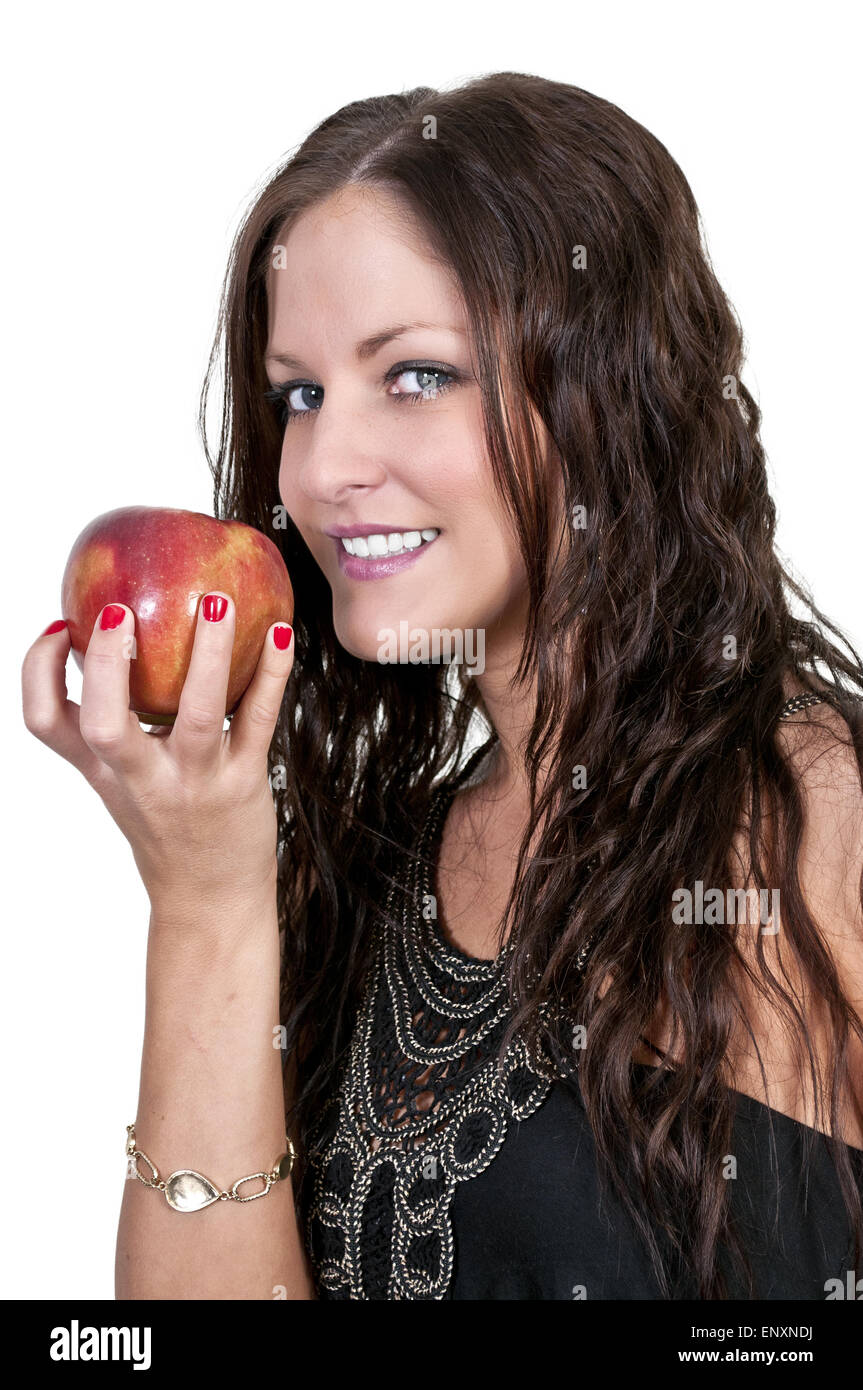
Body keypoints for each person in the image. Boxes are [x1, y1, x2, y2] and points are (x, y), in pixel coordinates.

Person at [22, 71, 863, 1301]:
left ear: (606, 388)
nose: (320, 466)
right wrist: (204, 901)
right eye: (298, 393)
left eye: (412, 375)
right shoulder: (382, 860)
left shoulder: (815, 824)